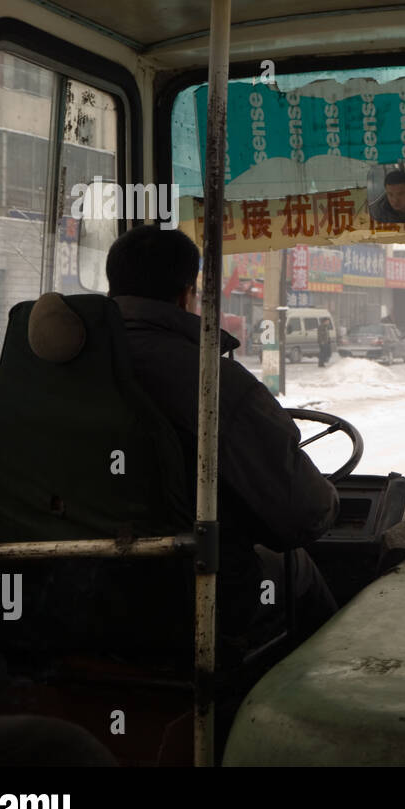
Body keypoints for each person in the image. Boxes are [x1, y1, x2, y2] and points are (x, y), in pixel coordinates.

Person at [107, 226, 339, 649]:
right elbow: (302, 516)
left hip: (71, 583)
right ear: (186, 295)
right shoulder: (215, 383)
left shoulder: (57, 370)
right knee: (296, 565)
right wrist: (327, 502)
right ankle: (308, 698)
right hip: (188, 588)